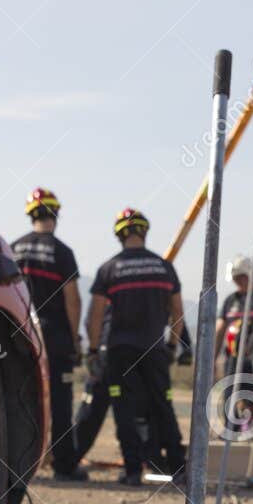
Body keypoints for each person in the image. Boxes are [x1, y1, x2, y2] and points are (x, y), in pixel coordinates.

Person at [87, 208, 186, 486]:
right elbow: (177, 311)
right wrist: (172, 344)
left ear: (119, 234)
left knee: (124, 409)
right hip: (155, 351)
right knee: (163, 406)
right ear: (144, 231)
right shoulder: (164, 267)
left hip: (119, 352)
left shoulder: (109, 269)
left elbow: (95, 315)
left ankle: (132, 471)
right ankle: (178, 468)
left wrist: (93, 350)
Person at [12, 188, 86, 481]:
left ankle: (18, 464)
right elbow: (73, 299)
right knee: (60, 401)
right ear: (55, 214)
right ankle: (63, 465)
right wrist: (74, 339)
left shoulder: (13, 247)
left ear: (31, 214)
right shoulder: (62, 252)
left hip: (19, 334)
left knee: (20, 397)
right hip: (54, 337)